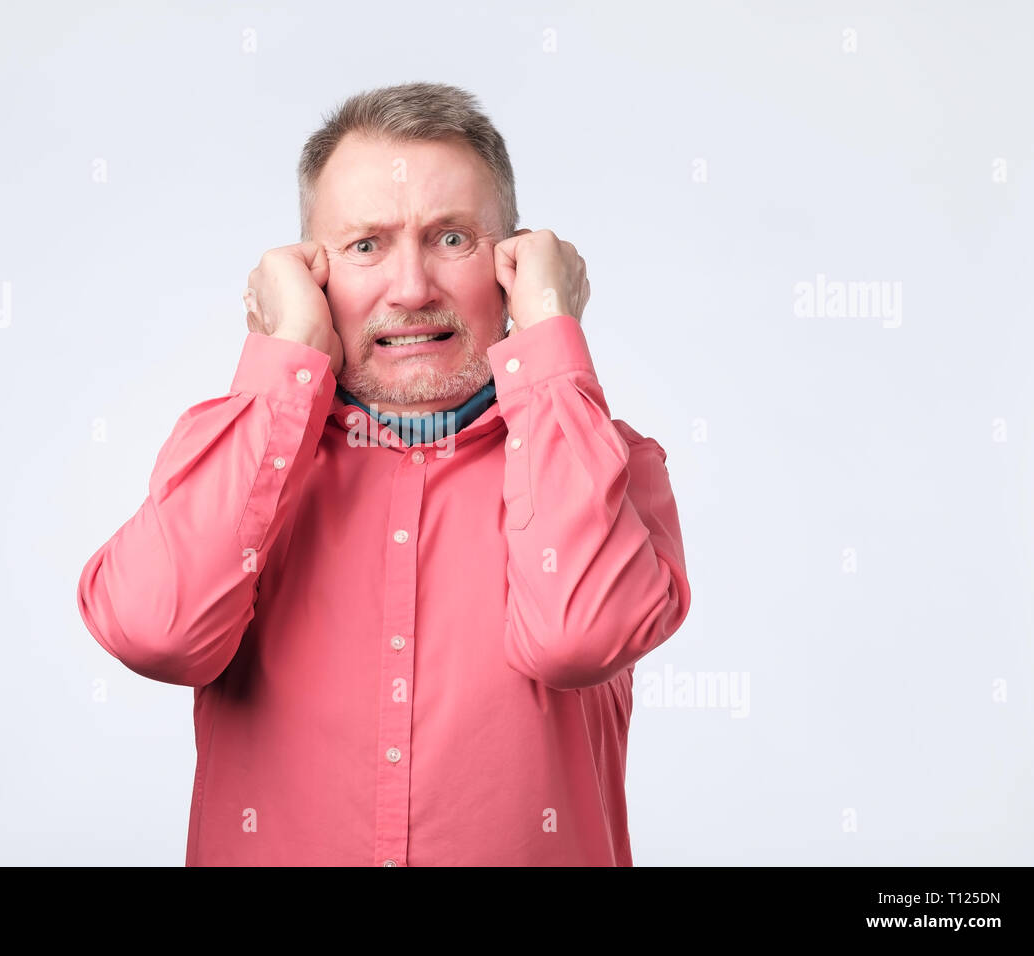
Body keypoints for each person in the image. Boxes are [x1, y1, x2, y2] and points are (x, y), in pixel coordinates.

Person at [77, 81, 692, 866]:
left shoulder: (606, 466)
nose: (410, 289)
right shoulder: (237, 458)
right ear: (310, 271)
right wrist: (286, 353)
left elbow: (578, 638)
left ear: (512, 265)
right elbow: (155, 633)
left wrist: (549, 332)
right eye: (365, 245)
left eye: (451, 239)